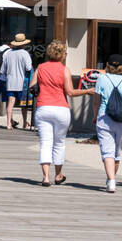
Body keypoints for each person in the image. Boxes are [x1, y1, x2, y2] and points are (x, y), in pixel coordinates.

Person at [30, 39, 95, 185]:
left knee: (45, 143)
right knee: (59, 143)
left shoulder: (40, 68)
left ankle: (45, 177)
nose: (66, 55)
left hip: (43, 107)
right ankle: (58, 175)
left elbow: (31, 87)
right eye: (65, 53)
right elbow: (70, 92)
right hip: (61, 109)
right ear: (61, 55)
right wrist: (88, 91)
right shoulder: (64, 70)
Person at [93, 54, 122, 192]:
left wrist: (95, 116)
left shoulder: (102, 79)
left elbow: (96, 101)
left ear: (108, 65)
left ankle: (111, 181)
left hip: (104, 118)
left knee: (107, 152)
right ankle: (112, 179)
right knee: (117, 153)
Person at [1, 34, 34, 131]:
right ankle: (24, 123)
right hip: (22, 82)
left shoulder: (8, 53)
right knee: (24, 104)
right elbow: (28, 68)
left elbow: (3, 70)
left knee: (10, 103)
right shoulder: (25, 53)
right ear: (23, 44)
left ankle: (8, 124)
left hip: (10, 82)